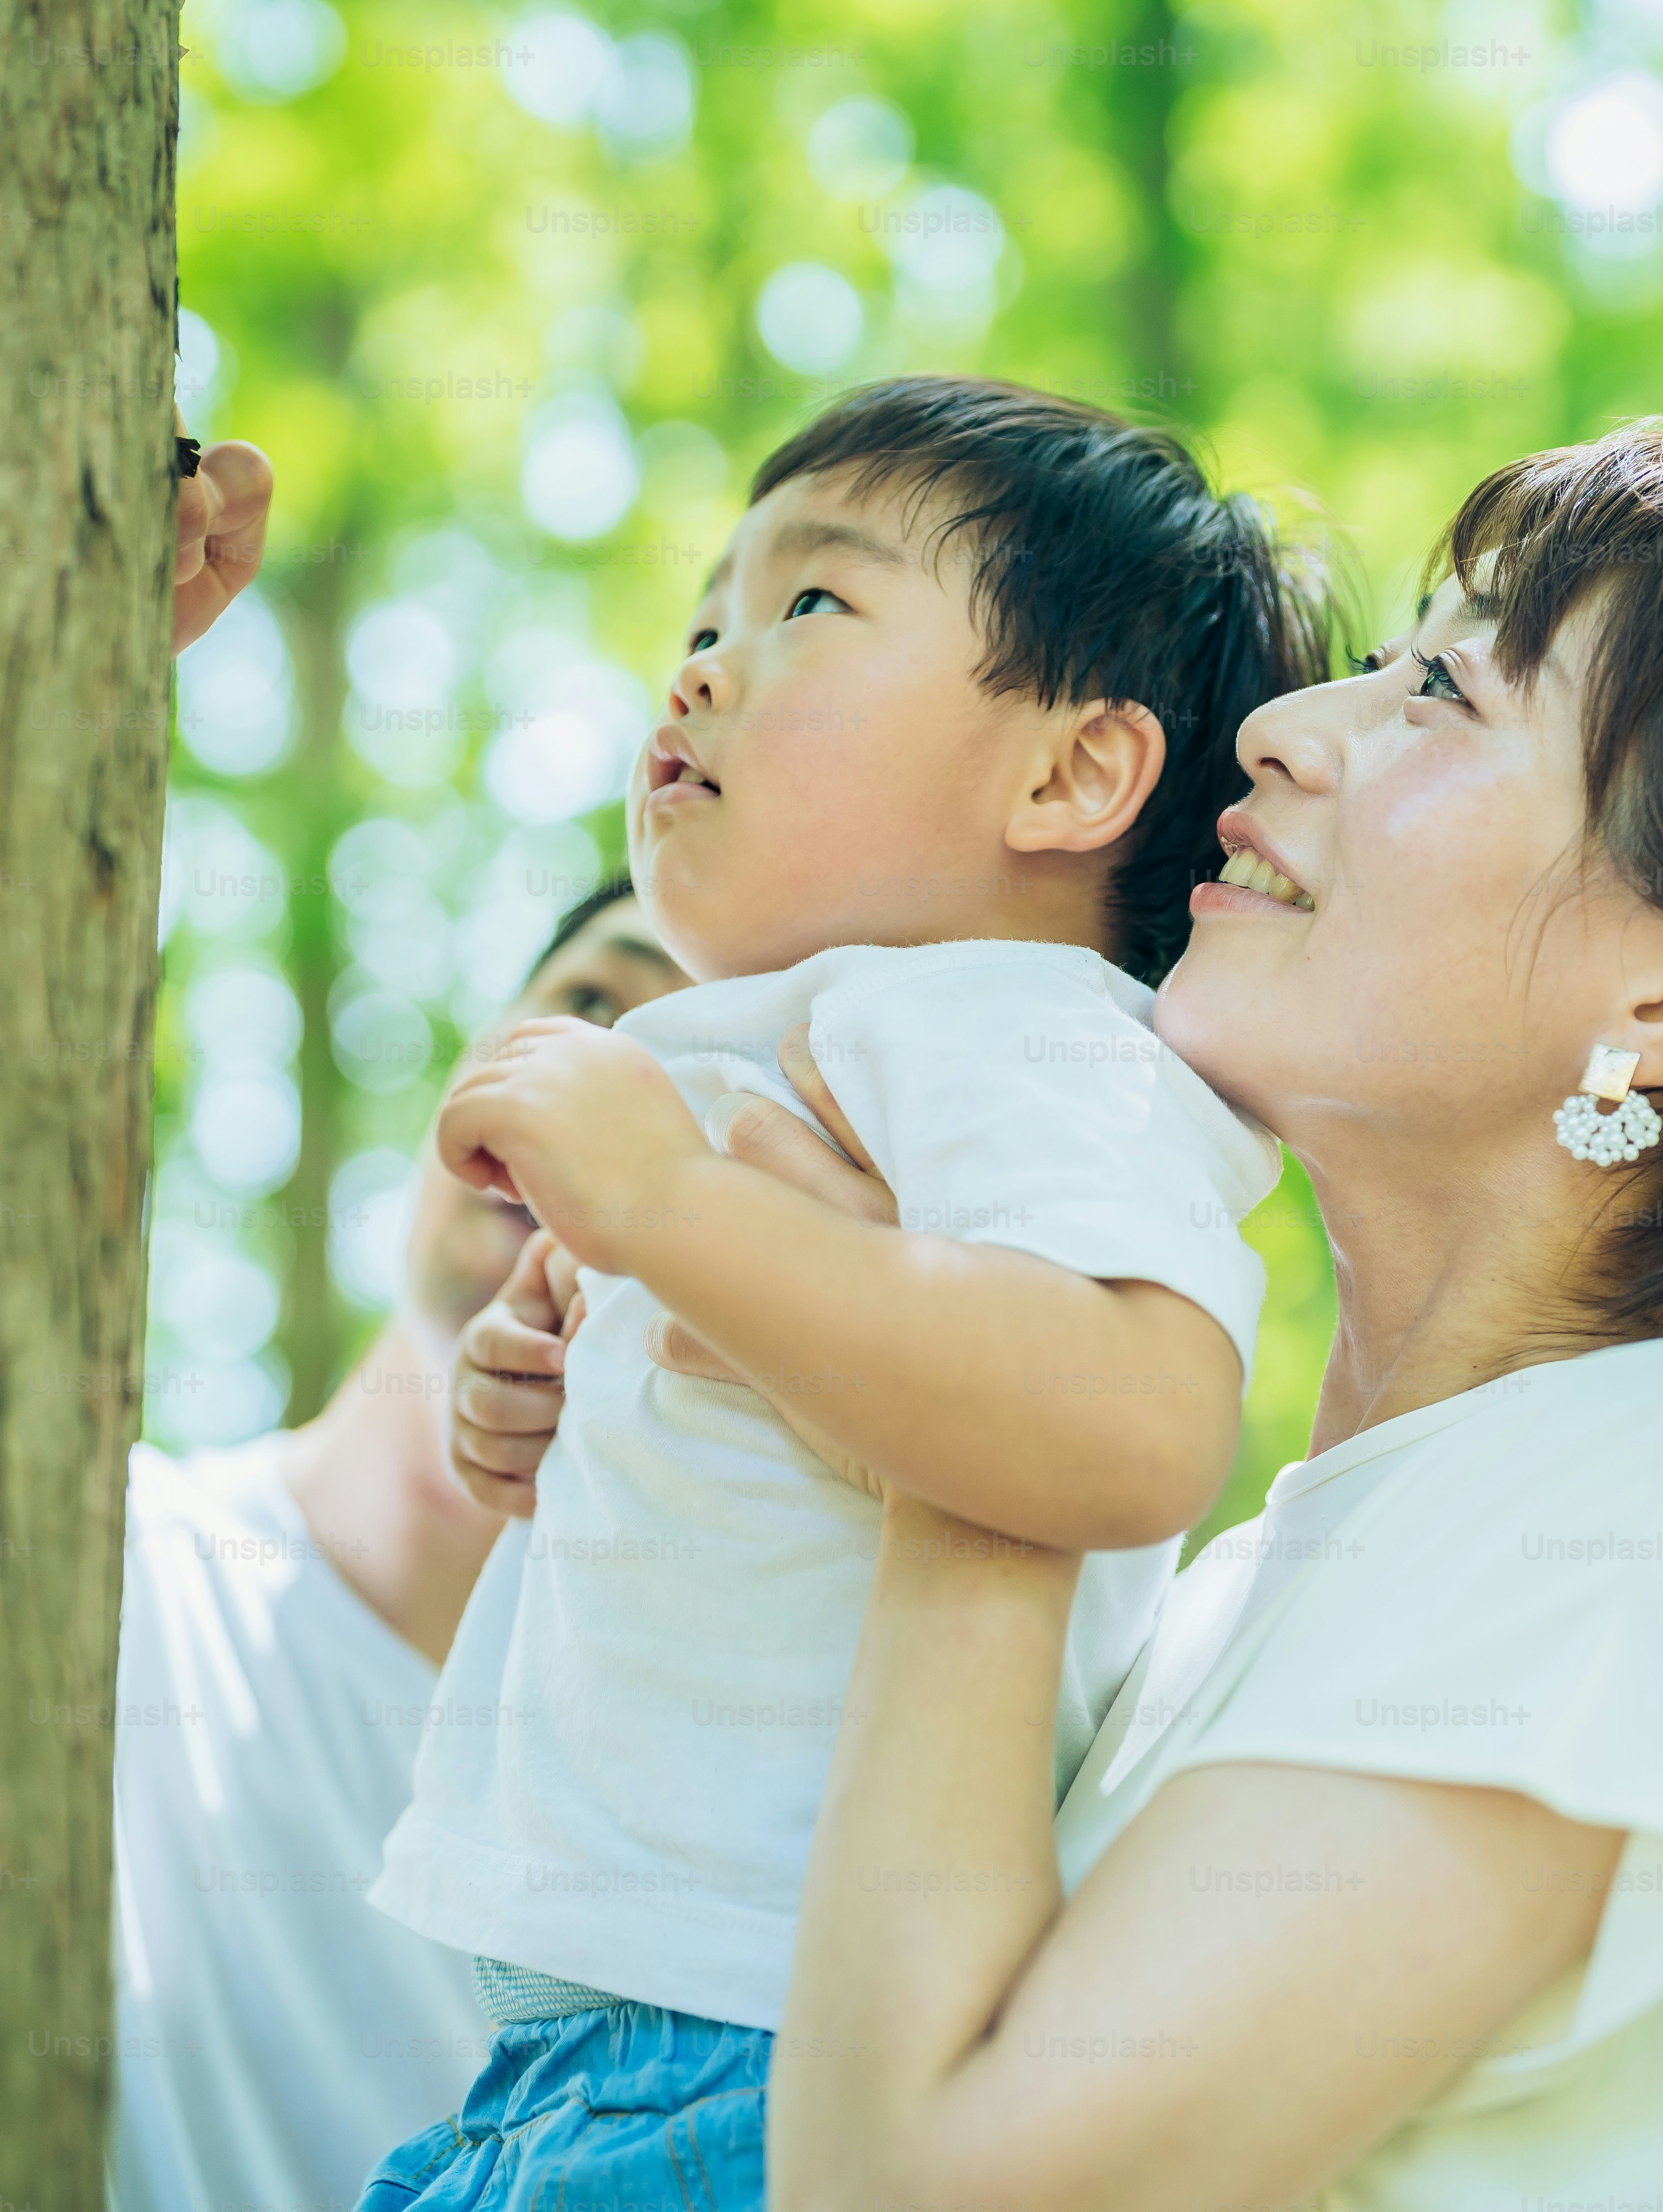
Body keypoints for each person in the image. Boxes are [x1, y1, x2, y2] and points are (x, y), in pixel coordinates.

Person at [473, 415, 1663, 2207]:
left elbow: (919, 2188)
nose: (1285, 729)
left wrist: (952, 1425)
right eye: (1374, 662)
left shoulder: (1661, 1496)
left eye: (1445, 692)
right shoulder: (1236, 1609)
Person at [357, 377, 1335, 2211]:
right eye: (707, 616)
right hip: (580, 2059)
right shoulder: (796, 1041)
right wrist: (546, 1385)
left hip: (758, 2061)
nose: (706, 665)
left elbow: (1129, 1426)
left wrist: (664, 1208)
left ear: (1068, 775)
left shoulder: (1020, 1025)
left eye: (812, 605)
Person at [107, 883, 685, 2212]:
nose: (598, 1083)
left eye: (687, 1075)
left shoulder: (717, 1862)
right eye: (590, 1004)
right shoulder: (102, 1573)